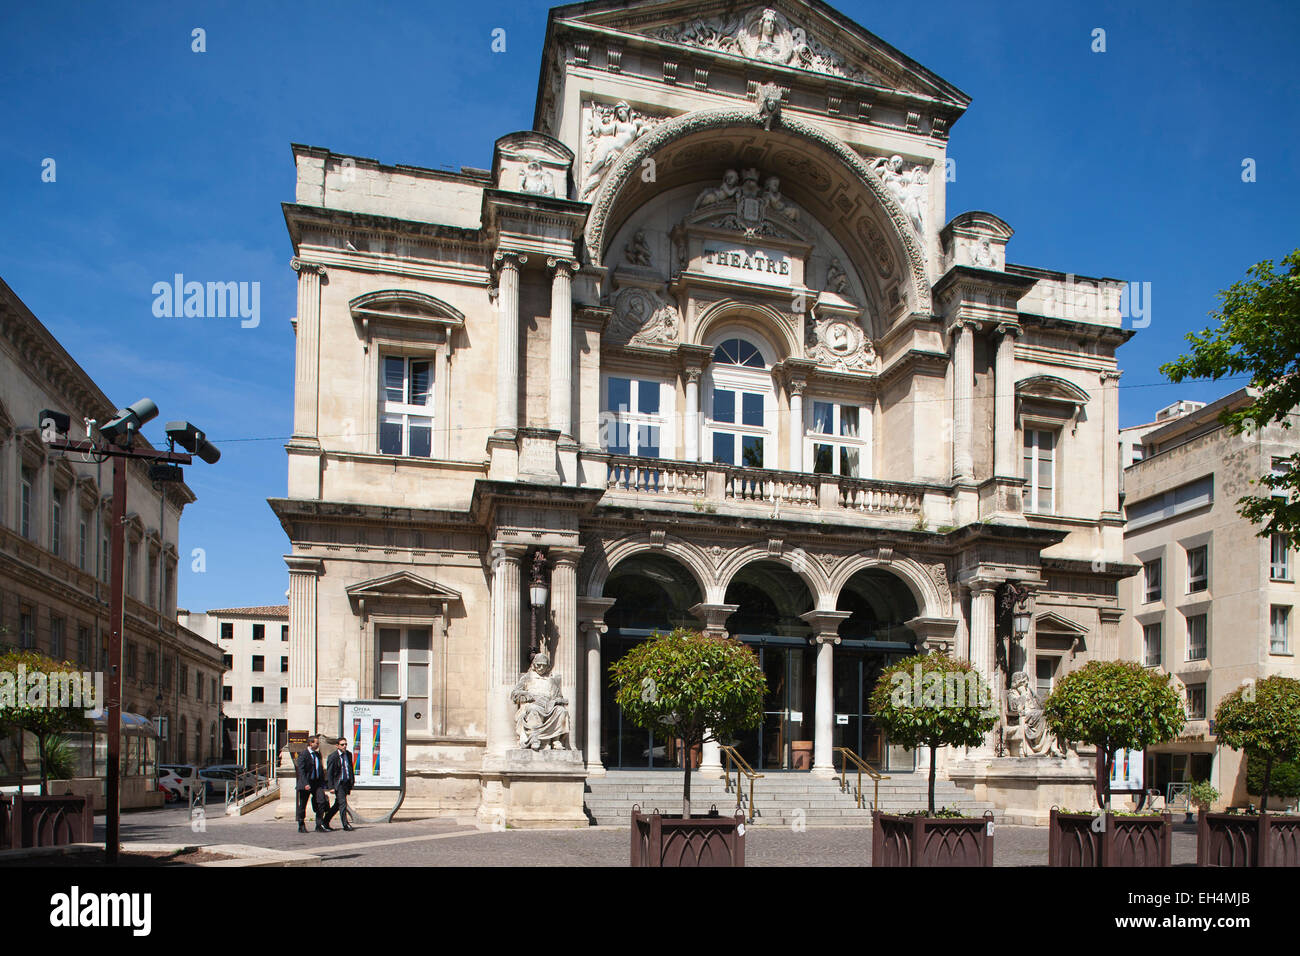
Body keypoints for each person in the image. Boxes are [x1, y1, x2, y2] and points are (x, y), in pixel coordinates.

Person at [295, 735, 328, 832]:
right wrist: (305, 783)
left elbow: (320, 769)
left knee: (321, 801)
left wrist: (324, 783)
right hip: (306, 783)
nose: (318, 745)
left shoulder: (318, 754)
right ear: (310, 743)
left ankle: (319, 824)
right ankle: (301, 824)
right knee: (303, 804)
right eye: (316, 743)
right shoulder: (303, 754)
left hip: (316, 783)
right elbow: (301, 770)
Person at [323, 737, 356, 831]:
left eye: (345, 744)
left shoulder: (348, 755)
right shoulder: (333, 756)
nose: (344, 746)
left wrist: (352, 781)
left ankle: (325, 821)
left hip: (346, 782)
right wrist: (331, 787)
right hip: (338, 783)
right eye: (342, 744)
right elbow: (329, 773)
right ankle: (345, 824)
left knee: (338, 804)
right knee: (342, 803)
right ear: (337, 746)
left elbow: (349, 768)